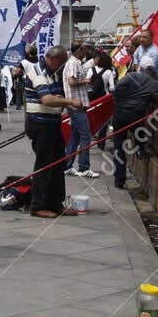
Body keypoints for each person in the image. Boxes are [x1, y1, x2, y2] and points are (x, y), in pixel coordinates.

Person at [26, 45, 82, 217]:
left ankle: (56, 203)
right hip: (41, 125)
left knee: (58, 164)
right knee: (45, 165)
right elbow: (47, 99)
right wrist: (70, 102)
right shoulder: (37, 71)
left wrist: (61, 101)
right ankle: (38, 206)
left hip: (53, 124)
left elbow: (54, 98)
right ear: (54, 59)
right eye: (62, 62)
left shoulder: (53, 73)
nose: (63, 66)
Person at [109, 60, 158, 188]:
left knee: (119, 147)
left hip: (120, 113)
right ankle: (140, 150)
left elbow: (118, 87)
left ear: (142, 70)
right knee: (140, 132)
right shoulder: (155, 85)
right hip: (136, 115)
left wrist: (119, 100)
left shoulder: (132, 75)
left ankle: (119, 179)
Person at [63, 41, 97, 179]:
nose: (86, 52)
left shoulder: (76, 62)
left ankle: (68, 166)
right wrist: (85, 81)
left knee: (75, 137)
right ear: (80, 50)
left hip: (77, 105)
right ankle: (84, 167)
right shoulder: (72, 63)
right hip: (75, 105)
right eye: (85, 49)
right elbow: (71, 82)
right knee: (85, 136)